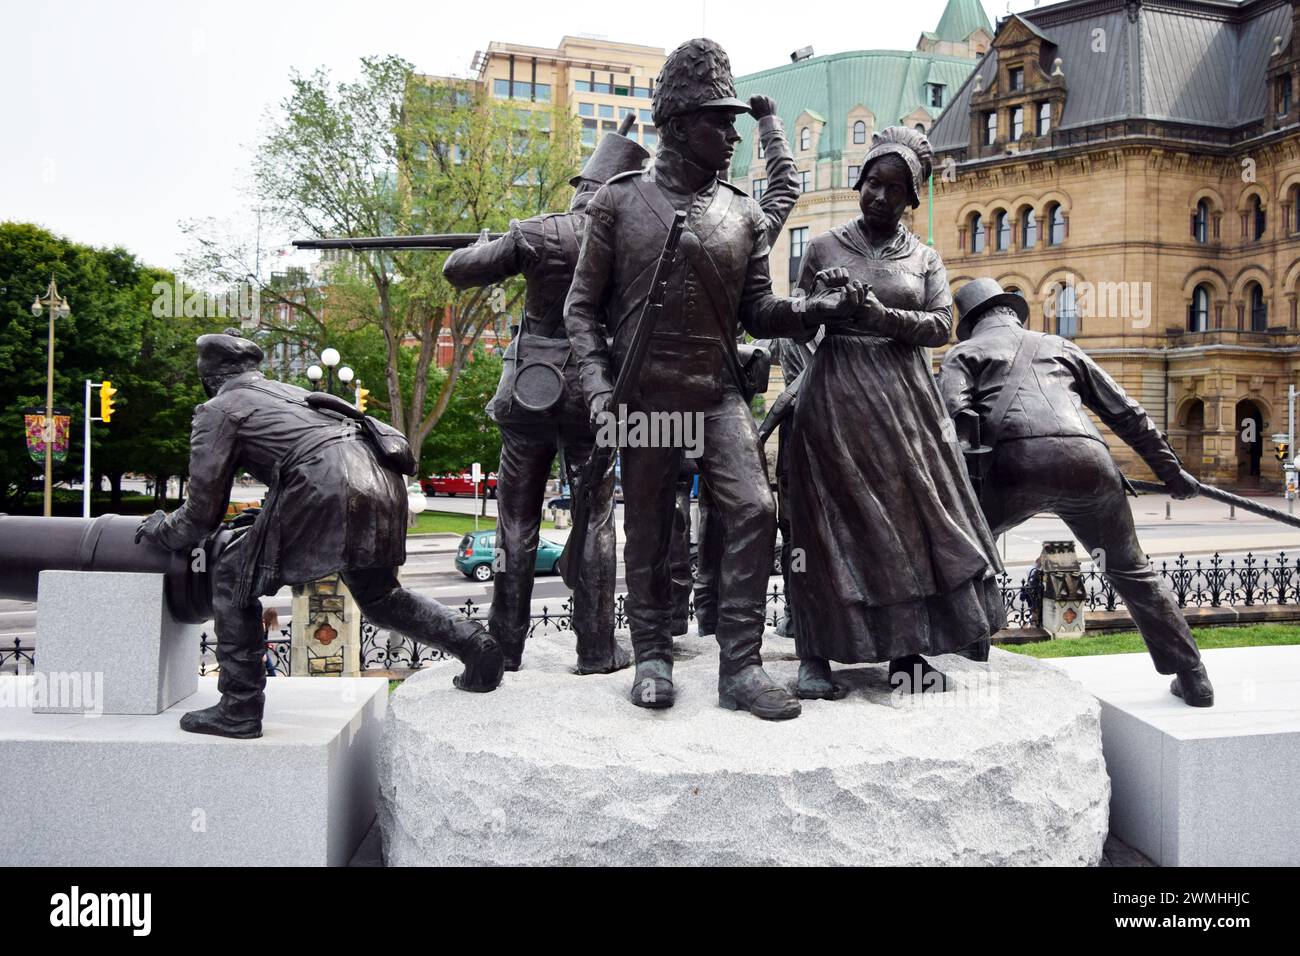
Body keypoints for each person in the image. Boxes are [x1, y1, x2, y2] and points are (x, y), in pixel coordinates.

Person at [564, 37, 853, 720]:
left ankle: (742, 668)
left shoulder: (743, 213)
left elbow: (760, 310)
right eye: (719, 122)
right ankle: (653, 658)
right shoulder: (617, 202)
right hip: (644, 393)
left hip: (717, 392)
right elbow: (580, 310)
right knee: (652, 528)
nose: (731, 136)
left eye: (735, 123)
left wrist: (814, 308)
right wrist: (602, 391)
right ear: (678, 123)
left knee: (753, 509)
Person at [136, 329, 503, 739]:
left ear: (207, 376)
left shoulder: (218, 410)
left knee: (230, 579)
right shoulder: (286, 391)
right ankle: (477, 647)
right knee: (381, 598)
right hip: (380, 480)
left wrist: (162, 532)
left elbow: (202, 514)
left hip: (326, 485)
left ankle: (239, 708)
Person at [784, 126, 1005, 700]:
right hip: (833, 400)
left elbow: (941, 326)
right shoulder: (825, 248)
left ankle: (906, 656)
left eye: (894, 189)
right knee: (826, 528)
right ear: (860, 183)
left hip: (905, 408)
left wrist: (881, 316)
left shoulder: (925, 257)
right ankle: (815, 655)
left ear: (911, 199)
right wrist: (824, 305)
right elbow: (791, 322)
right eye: (872, 184)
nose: (879, 197)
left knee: (906, 527)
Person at [937, 277, 1214, 706]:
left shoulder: (964, 353)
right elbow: (1129, 414)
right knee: (1131, 570)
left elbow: (954, 423)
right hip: (1090, 463)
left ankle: (972, 646)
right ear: (1011, 312)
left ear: (971, 321)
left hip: (1015, 467)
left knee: (964, 550)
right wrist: (1171, 472)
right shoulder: (1060, 347)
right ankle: (1192, 673)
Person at [443, 127, 649, 675]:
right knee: (598, 519)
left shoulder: (539, 232)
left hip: (531, 389)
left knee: (515, 520)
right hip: (595, 390)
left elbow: (457, 271)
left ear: (581, 185)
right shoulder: (635, 241)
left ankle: (505, 647)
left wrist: (486, 242)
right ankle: (599, 650)